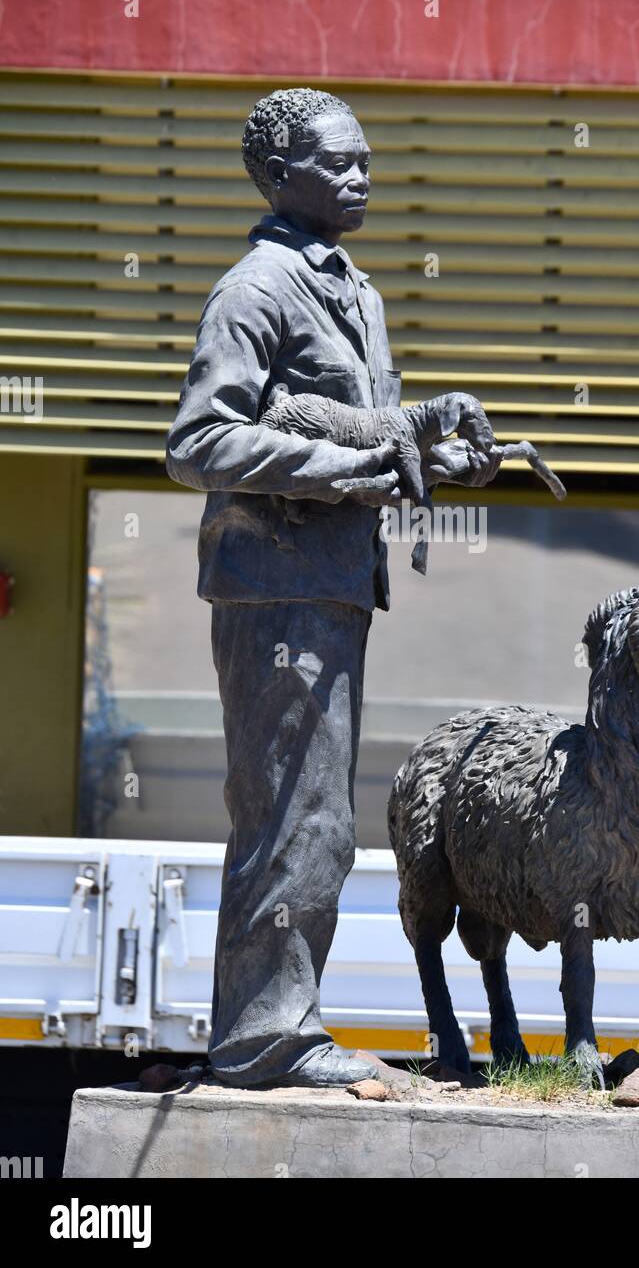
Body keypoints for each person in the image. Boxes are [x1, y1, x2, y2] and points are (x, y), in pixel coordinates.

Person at [165, 88, 500, 1087]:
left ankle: (275, 1027)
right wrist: (348, 473)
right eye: (336, 163)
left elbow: (365, 438)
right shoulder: (255, 291)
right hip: (274, 586)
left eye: (366, 160)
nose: (360, 177)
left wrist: (433, 453)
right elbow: (199, 442)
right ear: (278, 177)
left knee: (318, 820)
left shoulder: (357, 292)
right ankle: (265, 1041)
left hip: (332, 584)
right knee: (293, 816)